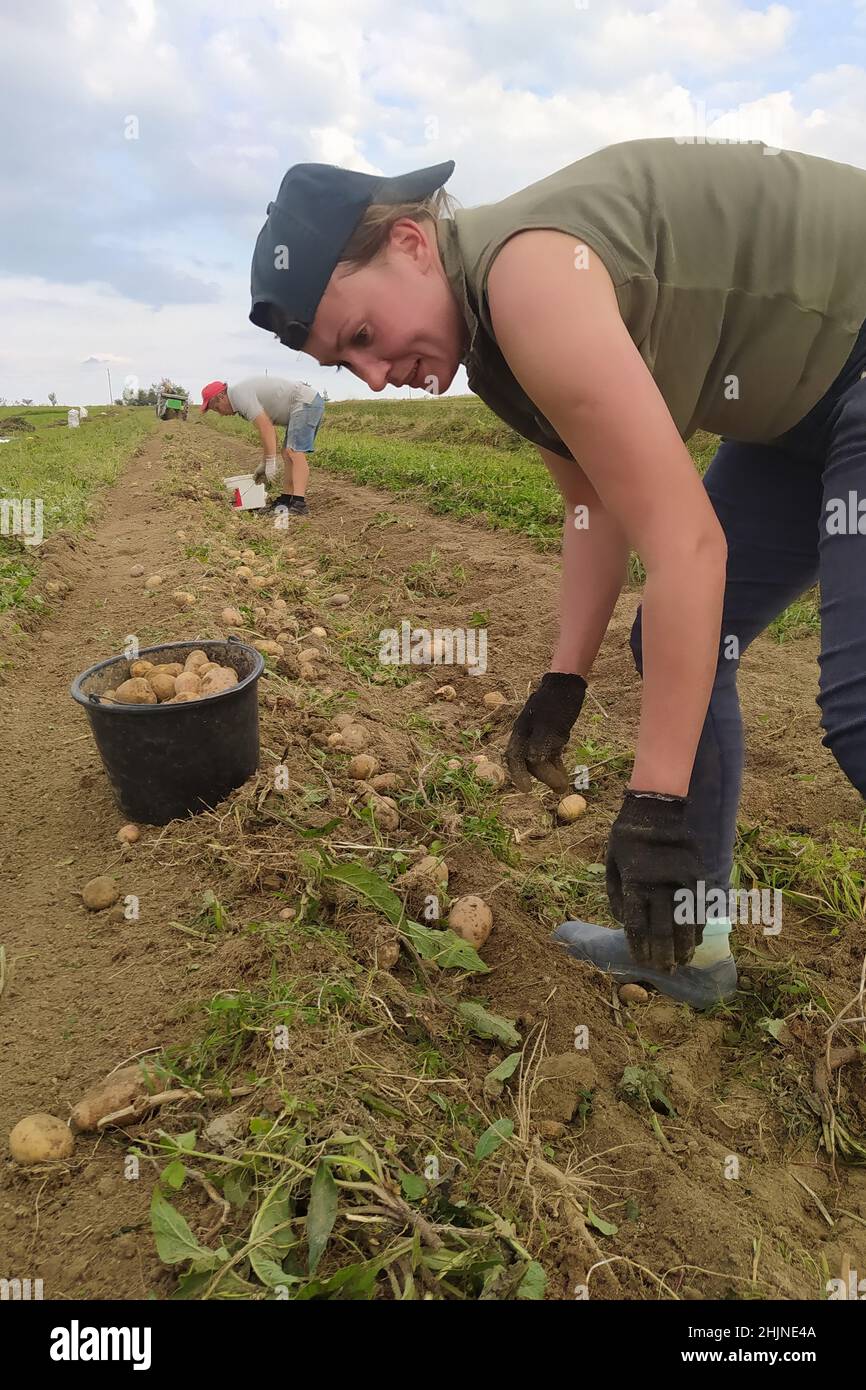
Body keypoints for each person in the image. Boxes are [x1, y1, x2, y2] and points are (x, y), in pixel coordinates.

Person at [244, 141, 866, 1007]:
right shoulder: (493, 348)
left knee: (859, 708)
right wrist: (562, 680)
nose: (377, 377)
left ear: (412, 245)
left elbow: (689, 546)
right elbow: (596, 509)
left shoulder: (527, 281)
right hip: (795, 415)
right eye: (344, 366)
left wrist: (653, 804)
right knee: (679, 644)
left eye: (362, 336)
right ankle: (694, 947)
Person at [200, 376, 325, 516]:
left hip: (305, 402)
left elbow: (267, 429)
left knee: (294, 451)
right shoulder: (238, 397)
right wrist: (265, 463)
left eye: (216, 408)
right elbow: (268, 431)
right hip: (301, 403)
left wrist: (270, 461)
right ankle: (286, 499)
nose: (220, 414)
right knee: (287, 453)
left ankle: (299, 503)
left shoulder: (239, 396)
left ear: (221, 397)